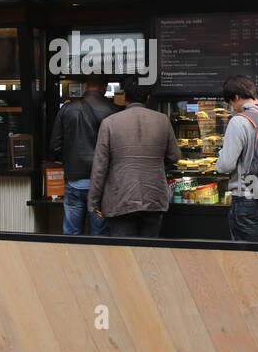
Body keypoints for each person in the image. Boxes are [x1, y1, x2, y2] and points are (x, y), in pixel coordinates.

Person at [88, 76, 179, 238]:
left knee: (124, 255)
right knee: (149, 252)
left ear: (124, 98)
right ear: (148, 98)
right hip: (153, 197)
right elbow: (174, 156)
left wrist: (94, 201)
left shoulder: (109, 123)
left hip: (119, 197)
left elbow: (100, 167)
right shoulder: (163, 121)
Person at [216, 75, 258, 243]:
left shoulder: (239, 121)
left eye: (230, 102)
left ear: (236, 97)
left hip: (247, 197)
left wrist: (219, 157)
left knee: (246, 258)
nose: (232, 107)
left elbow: (225, 165)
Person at [49, 75, 115, 236]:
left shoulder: (67, 109)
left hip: (74, 181)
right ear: (104, 88)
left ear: (85, 86)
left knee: (72, 234)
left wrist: (69, 160)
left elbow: (54, 146)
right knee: (100, 235)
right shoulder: (113, 111)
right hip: (101, 184)